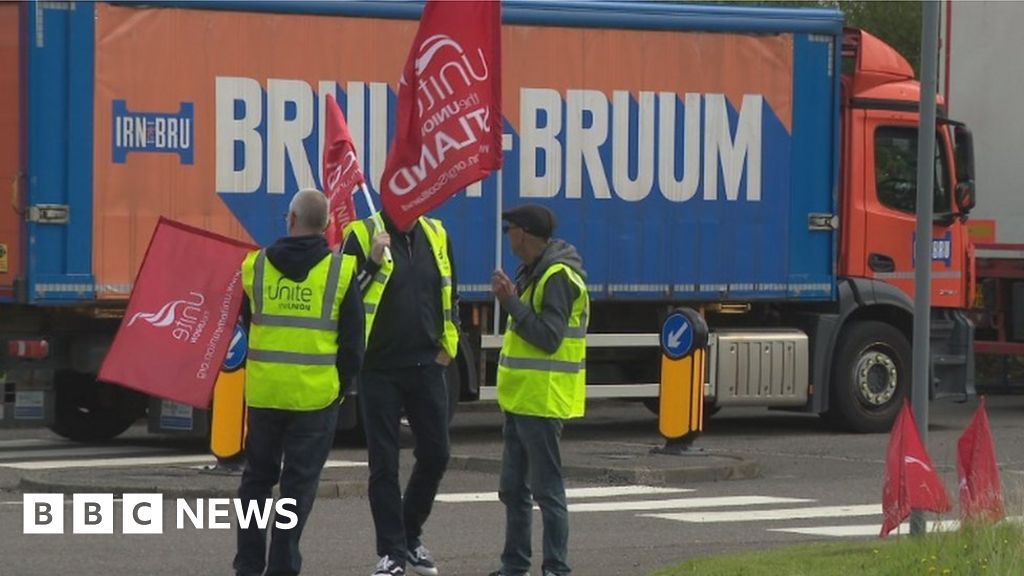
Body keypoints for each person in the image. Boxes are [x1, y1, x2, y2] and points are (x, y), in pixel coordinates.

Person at [234, 188, 365, 576]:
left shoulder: (254, 266)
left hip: (265, 392)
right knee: (297, 486)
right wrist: (339, 387)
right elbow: (353, 343)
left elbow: (245, 323)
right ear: (327, 226)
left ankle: (248, 564)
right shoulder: (341, 271)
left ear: (290, 220)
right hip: (314, 396)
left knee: (256, 481)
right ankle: (282, 564)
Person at [342, 210, 460, 576]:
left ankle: (410, 534)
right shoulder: (362, 235)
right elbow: (343, 299)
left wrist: (448, 347)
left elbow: (450, 292)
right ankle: (392, 552)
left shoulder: (437, 233)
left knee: (437, 453)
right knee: (384, 463)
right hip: (379, 368)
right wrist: (373, 264)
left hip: (427, 364)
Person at [488, 204, 590, 576]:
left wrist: (510, 302)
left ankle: (555, 568)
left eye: (509, 229)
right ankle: (514, 565)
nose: (508, 236)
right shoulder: (535, 271)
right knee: (513, 490)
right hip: (522, 398)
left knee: (547, 492)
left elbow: (549, 338)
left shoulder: (557, 276)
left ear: (525, 233)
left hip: (543, 400)